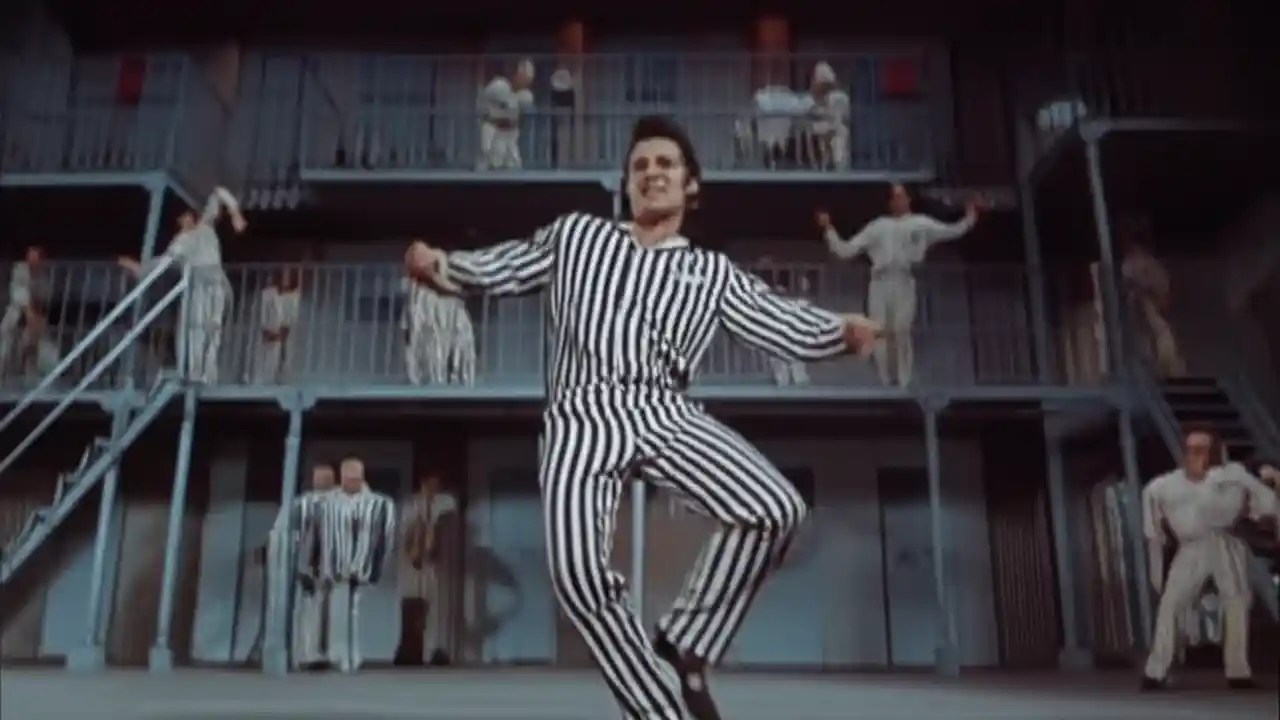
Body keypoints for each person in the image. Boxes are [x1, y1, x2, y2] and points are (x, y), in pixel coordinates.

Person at [405, 116, 880, 720]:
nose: (652, 174)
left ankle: (685, 641)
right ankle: (662, 711)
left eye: (665, 165)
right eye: (640, 167)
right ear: (627, 185)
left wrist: (841, 331)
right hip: (581, 413)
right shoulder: (578, 238)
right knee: (577, 575)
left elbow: (777, 320)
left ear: (690, 187)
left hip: (663, 408)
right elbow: (506, 266)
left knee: (774, 507)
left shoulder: (710, 273)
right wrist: (442, 265)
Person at [1140, 426, 1278, 690]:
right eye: (1192, 449)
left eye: (1204, 449)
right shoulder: (1163, 486)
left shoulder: (1234, 476)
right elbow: (1154, 532)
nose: (1197, 455)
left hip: (1226, 542)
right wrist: (1156, 570)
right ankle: (1156, 671)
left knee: (1236, 602)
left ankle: (1238, 672)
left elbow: (1266, 503)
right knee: (1172, 605)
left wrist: (1265, 486)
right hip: (1191, 546)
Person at [816, 183, 981, 387]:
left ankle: (904, 380)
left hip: (904, 278)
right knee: (879, 331)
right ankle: (885, 381)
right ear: (890, 202)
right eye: (894, 197)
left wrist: (970, 216)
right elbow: (846, 250)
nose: (898, 201)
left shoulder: (921, 223)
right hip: (879, 282)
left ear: (908, 199)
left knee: (901, 329)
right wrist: (829, 229)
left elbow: (951, 231)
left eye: (902, 196)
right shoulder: (878, 226)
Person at [118, 186, 247, 384]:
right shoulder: (181, 241)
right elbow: (165, 261)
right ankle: (195, 374)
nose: (183, 222)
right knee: (195, 330)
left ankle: (207, 375)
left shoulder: (206, 226)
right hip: (197, 287)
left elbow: (218, 193)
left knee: (213, 329)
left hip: (215, 282)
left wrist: (235, 212)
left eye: (185, 217)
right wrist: (141, 269)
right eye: (180, 220)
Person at [322, 457, 396, 673]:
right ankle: (339, 654)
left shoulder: (380, 504)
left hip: (363, 563)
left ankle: (354, 654)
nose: (351, 482)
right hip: (335, 564)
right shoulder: (327, 501)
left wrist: (378, 562)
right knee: (338, 610)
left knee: (355, 610)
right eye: (347, 478)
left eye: (355, 478)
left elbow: (387, 535)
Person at [264, 462, 337, 670]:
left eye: (328, 478)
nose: (325, 482)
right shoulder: (300, 506)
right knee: (304, 611)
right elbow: (288, 538)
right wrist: (300, 568)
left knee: (319, 613)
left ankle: (316, 653)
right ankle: (303, 654)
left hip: (322, 567)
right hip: (304, 566)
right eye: (322, 478)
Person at [397, 473, 459, 666]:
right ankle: (411, 650)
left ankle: (435, 650)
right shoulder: (411, 505)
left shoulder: (446, 502)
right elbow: (407, 533)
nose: (432, 486)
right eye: (428, 483)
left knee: (437, 609)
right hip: (414, 563)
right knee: (414, 605)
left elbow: (446, 525)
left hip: (437, 564)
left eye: (436, 483)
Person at [1119, 220, 1185, 377]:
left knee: (1161, 336)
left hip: (1150, 305)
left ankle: (1168, 371)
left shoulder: (1148, 263)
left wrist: (1154, 294)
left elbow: (1161, 286)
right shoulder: (1130, 264)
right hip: (1140, 307)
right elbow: (1129, 285)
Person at [1, 245, 52, 382]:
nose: (32, 259)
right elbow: (18, 292)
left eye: (36, 256)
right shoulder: (20, 269)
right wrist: (29, 311)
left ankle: (30, 377)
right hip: (17, 313)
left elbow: (44, 295)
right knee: (6, 344)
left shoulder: (43, 274)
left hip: (36, 314)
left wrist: (37, 315)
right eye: (31, 255)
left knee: (33, 346)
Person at [477, 59, 535, 171]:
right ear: (517, 74)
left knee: (513, 164)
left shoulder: (524, 95)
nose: (527, 82)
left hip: (510, 135)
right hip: (493, 132)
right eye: (525, 77)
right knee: (492, 161)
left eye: (529, 79)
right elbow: (487, 111)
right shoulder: (499, 86)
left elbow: (518, 116)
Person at [250, 268, 302, 384]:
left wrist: (283, 333)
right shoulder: (267, 294)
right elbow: (262, 318)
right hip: (268, 334)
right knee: (264, 361)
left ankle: (279, 378)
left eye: (287, 276)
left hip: (281, 335)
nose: (285, 279)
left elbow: (290, 320)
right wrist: (270, 332)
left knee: (281, 358)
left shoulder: (292, 297)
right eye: (283, 275)